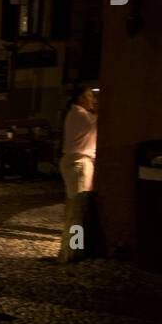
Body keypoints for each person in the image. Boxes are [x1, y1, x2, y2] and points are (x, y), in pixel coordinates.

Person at [58, 86, 98, 263]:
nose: (93, 100)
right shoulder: (81, 115)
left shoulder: (75, 113)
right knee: (78, 209)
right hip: (79, 164)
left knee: (74, 207)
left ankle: (73, 247)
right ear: (81, 98)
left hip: (74, 162)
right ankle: (73, 250)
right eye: (90, 96)